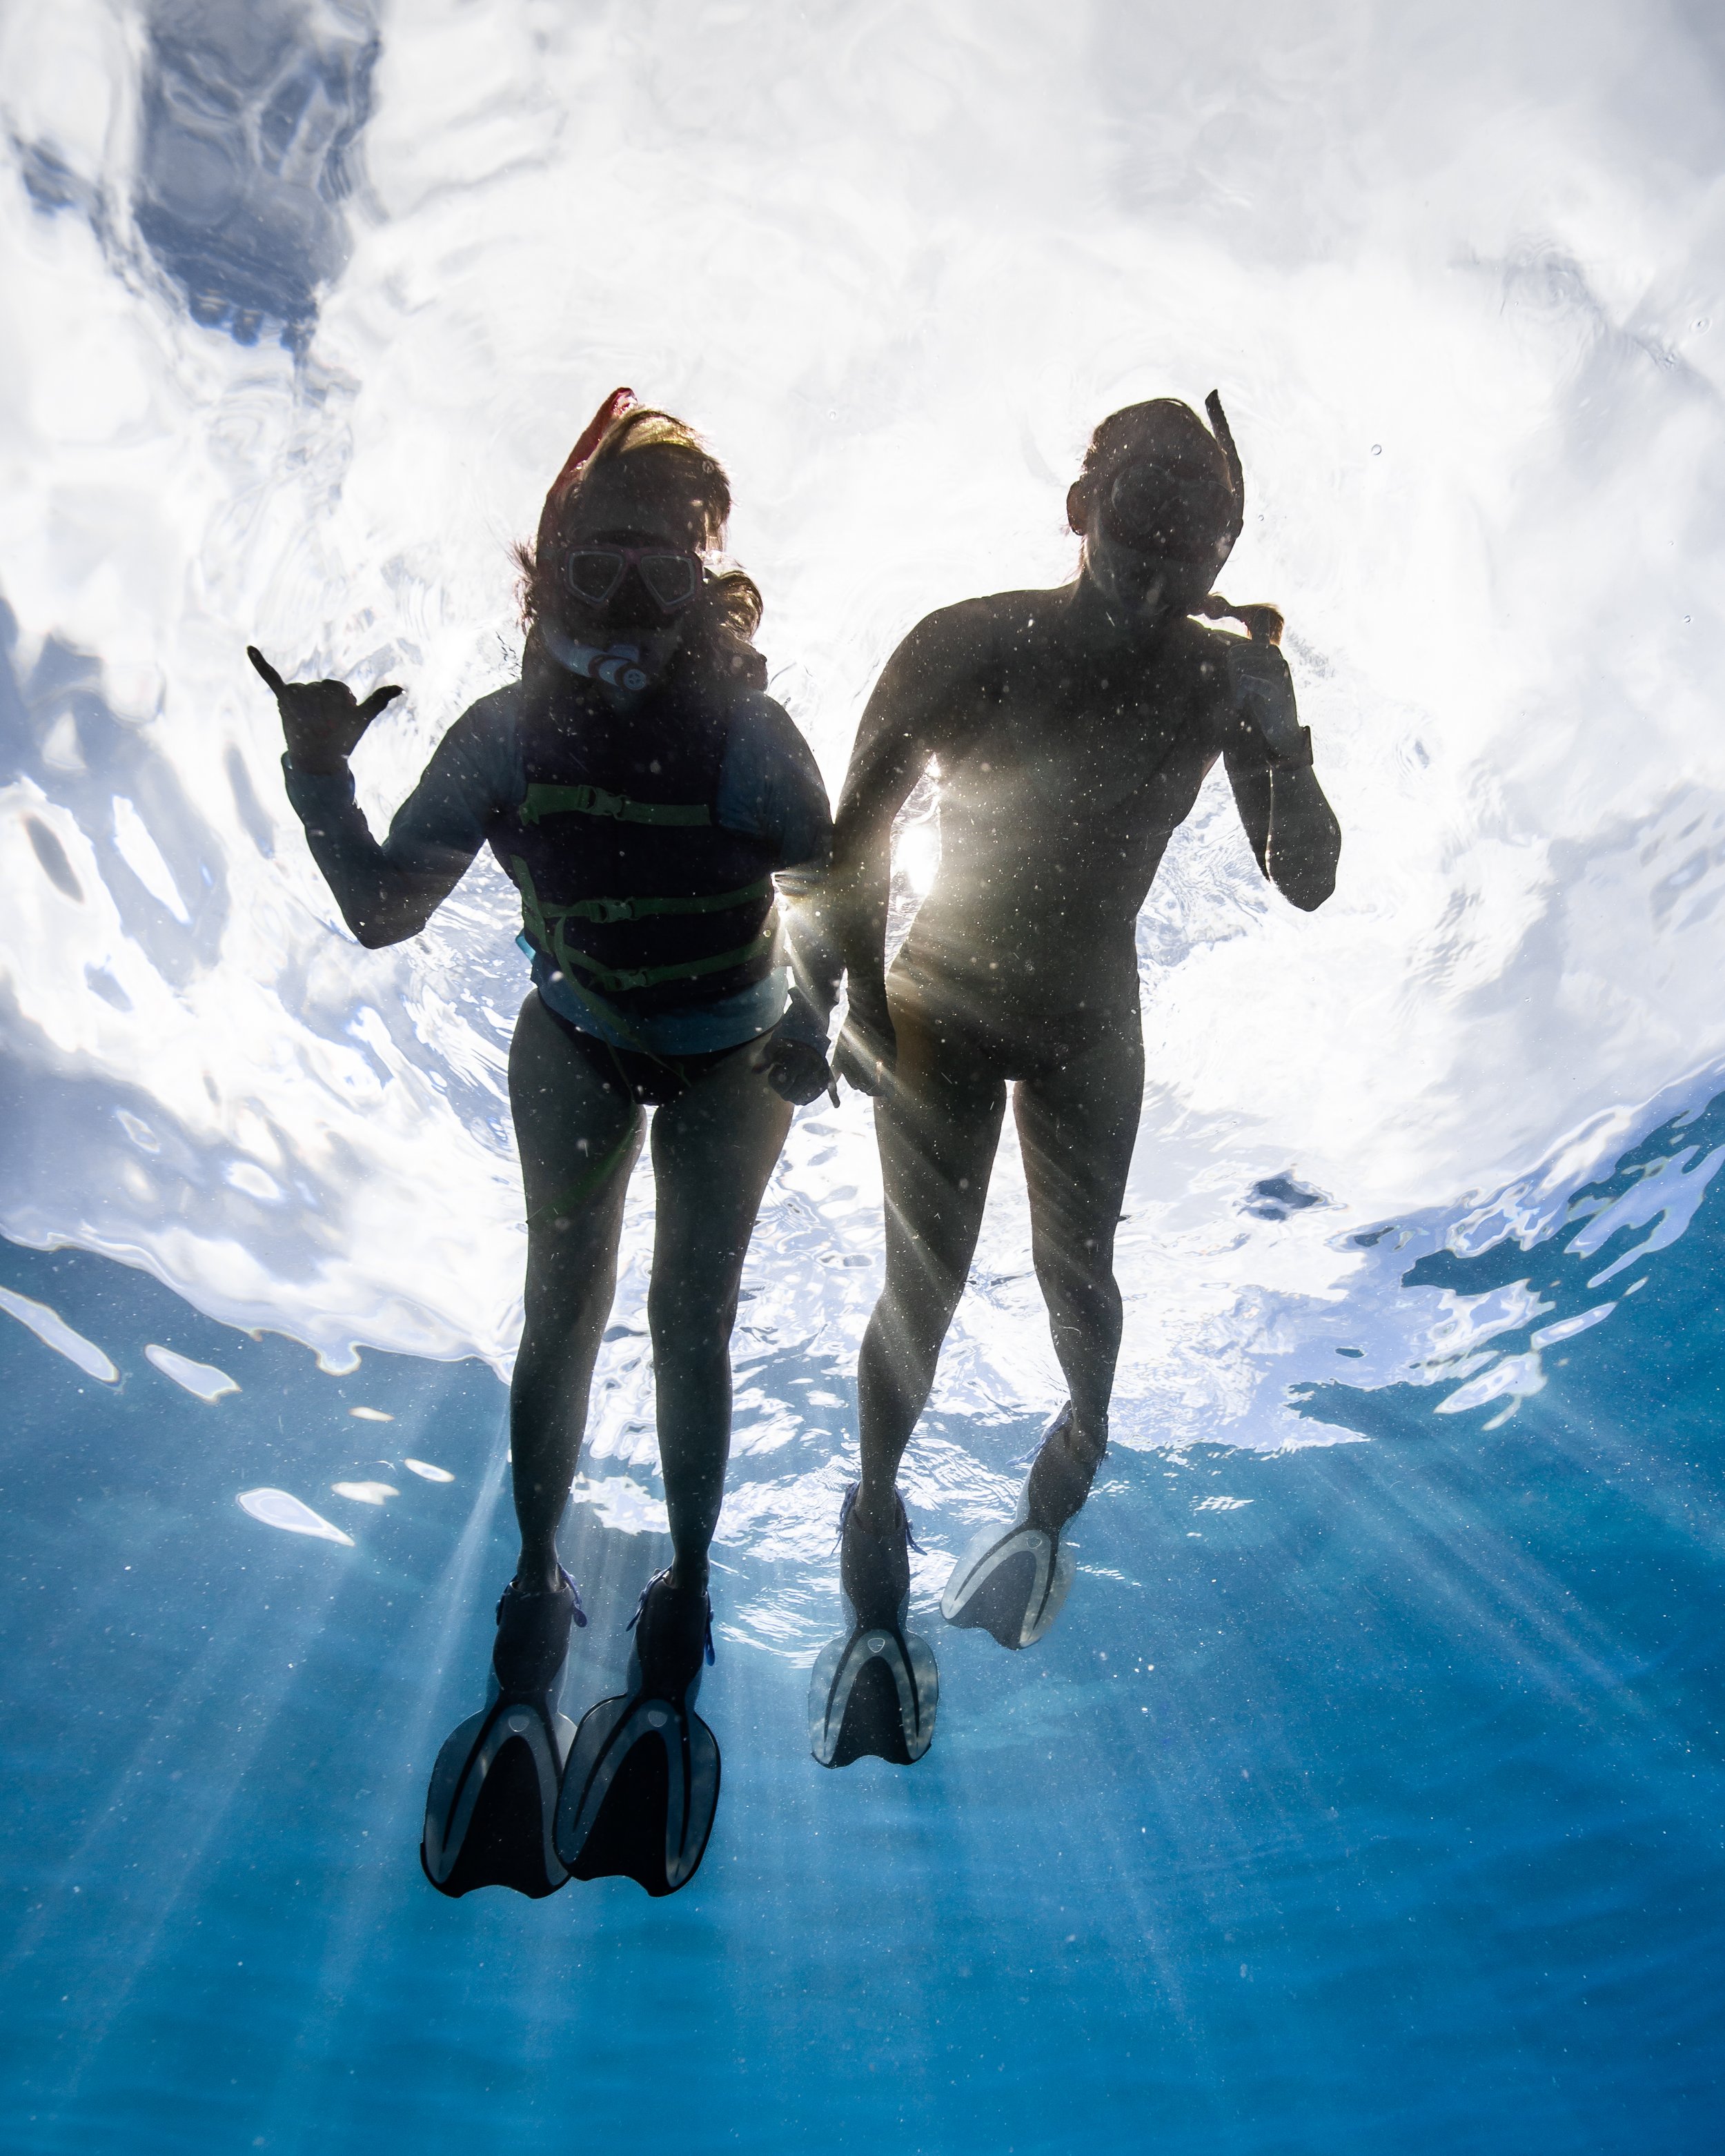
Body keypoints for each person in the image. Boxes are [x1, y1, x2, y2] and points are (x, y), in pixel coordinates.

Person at [253, 390, 837, 1895]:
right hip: (577, 1028)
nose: (628, 605)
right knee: (560, 1307)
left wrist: (820, 1012)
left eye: (661, 571)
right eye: (598, 569)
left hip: (728, 1045)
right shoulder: (503, 738)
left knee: (686, 1321)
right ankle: (534, 1615)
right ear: (545, 573)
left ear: (707, 585)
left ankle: (674, 1619)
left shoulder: (749, 736)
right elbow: (385, 913)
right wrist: (319, 775)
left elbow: (846, 886)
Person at [807, 392, 1341, 1769]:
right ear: (1080, 505)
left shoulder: (1225, 679)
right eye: (1141, 500)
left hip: (1086, 1015)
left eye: (1195, 520)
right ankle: (875, 1531)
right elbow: (850, 842)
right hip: (941, 998)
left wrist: (1285, 743)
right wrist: (853, 1002)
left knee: (1078, 1276)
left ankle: (1063, 1475)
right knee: (920, 1288)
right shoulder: (968, 641)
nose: (1160, 544)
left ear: (1223, 548)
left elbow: (1304, 879)